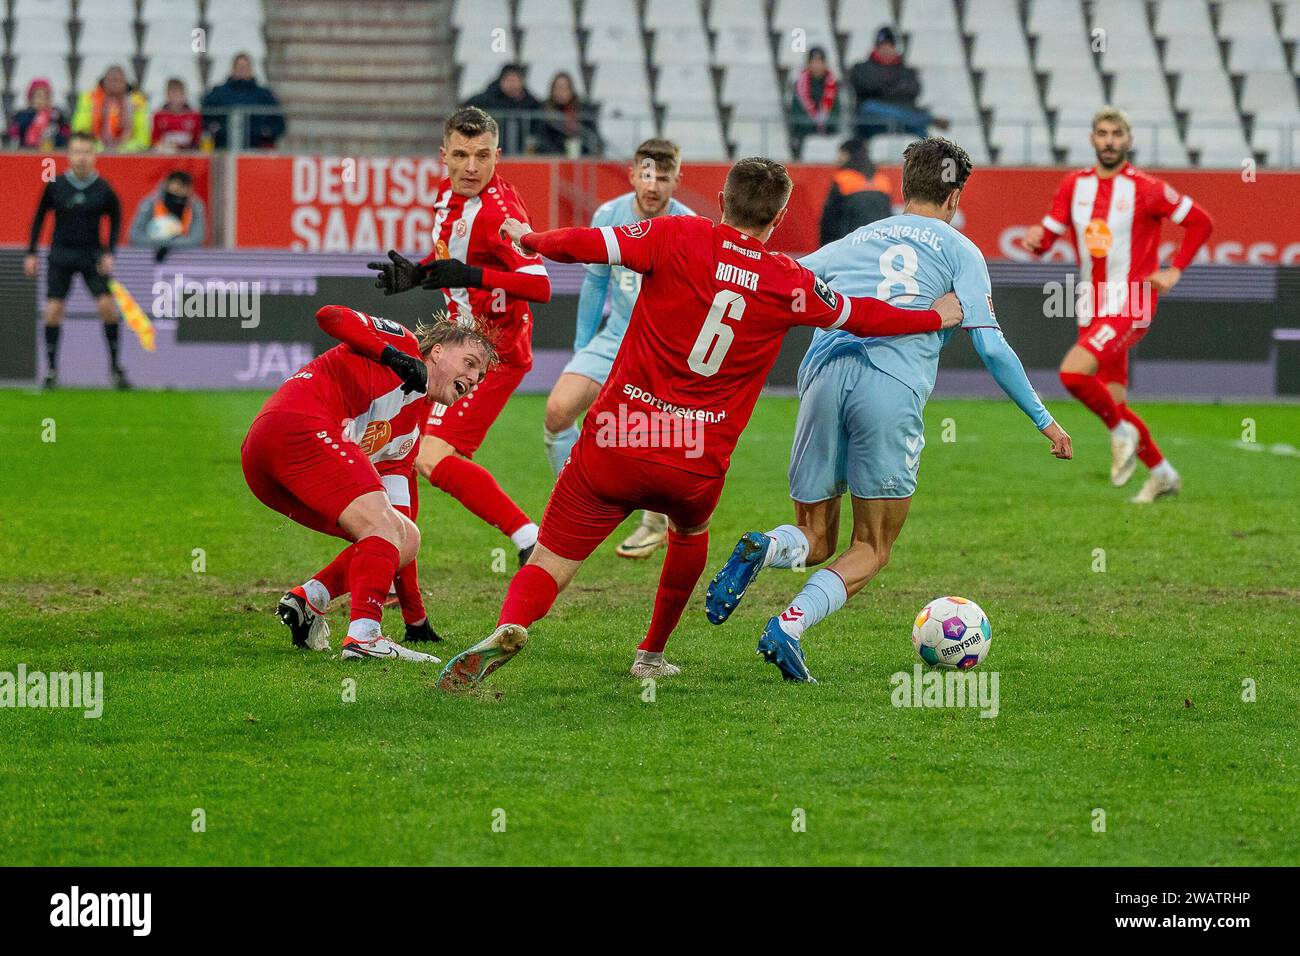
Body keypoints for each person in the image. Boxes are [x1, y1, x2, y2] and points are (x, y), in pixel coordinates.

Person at [435, 157, 964, 691]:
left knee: (551, 559)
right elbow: (863, 314)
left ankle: (512, 623)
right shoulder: (788, 280)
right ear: (778, 217)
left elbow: (590, 245)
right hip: (693, 459)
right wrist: (932, 318)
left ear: (721, 199)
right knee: (688, 534)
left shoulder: (674, 236)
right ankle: (651, 653)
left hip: (617, 438)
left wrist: (532, 239)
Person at [704, 137, 1073, 684]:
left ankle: (769, 546)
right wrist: (1045, 420)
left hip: (823, 378)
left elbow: (776, 282)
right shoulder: (959, 249)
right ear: (955, 195)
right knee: (871, 547)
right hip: (890, 383)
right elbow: (992, 346)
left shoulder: (856, 238)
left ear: (903, 188)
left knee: (815, 535)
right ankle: (788, 625)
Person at [242, 305, 493, 661]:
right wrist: (389, 354)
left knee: (405, 537)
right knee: (386, 529)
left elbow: (398, 533)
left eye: (480, 375)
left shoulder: (409, 432)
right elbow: (329, 316)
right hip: (294, 424)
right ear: (437, 351)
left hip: (268, 469)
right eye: (469, 363)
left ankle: (310, 598)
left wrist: (416, 617)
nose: (473, 379)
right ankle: (364, 636)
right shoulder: (403, 342)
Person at [369, 107, 552, 566]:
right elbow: (450, 262)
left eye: (483, 156)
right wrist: (416, 276)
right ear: (444, 156)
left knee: (431, 456)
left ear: (498, 156)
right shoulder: (447, 198)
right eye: (462, 155)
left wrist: (473, 273)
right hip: (452, 346)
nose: (472, 167)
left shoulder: (502, 212)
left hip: (493, 353)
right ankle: (394, 565)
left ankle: (531, 538)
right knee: (400, 448)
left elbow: (540, 284)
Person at [1021, 107, 1213, 504]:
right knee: (1115, 402)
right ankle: (1163, 474)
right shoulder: (1074, 185)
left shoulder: (1147, 188)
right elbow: (1048, 238)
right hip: (1092, 305)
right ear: (1092, 139)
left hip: (1133, 301)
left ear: (1128, 140)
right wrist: (1036, 238)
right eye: (1103, 133)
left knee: (1073, 375)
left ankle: (1120, 434)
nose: (1109, 140)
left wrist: (1176, 269)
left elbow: (1200, 221)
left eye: (1117, 133)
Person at [543, 138, 693, 562]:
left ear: (676, 181)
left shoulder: (690, 226)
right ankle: (574, 505)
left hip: (661, 348)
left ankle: (656, 521)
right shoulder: (608, 215)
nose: (652, 185)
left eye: (662, 178)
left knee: (647, 435)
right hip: (613, 339)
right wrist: (581, 346)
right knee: (558, 411)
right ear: (632, 175)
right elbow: (595, 283)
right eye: (646, 175)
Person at [24, 131, 126, 389]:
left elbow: (115, 219)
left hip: (91, 255)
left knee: (108, 309)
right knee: (53, 311)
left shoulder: (103, 188)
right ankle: (51, 371)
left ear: (95, 155)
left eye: (87, 151)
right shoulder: (56, 185)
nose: (81, 157)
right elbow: (38, 218)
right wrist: (32, 253)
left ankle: (115, 370)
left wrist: (109, 252)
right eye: (77, 151)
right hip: (61, 255)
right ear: (68, 155)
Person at [849, 27, 944, 140]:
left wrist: (883, 88)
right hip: (872, 122)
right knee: (869, 107)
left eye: (889, 46)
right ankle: (925, 118)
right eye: (882, 46)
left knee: (919, 130)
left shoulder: (907, 70)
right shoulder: (861, 68)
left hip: (902, 119)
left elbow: (914, 90)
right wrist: (895, 87)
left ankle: (933, 155)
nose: (885, 50)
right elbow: (866, 85)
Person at [201, 53, 286, 149]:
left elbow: (279, 124)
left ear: (251, 70)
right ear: (233, 69)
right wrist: (218, 130)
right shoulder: (218, 93)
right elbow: (205, 118)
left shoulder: (264, 95)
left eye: (245, 67)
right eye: (239, 67)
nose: (242, 71)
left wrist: (264, 132)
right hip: (223, 148)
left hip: (257, 150)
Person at [819, 138, 892, 246]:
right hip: (879, 245)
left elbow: (829, 220)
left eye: (841, 154)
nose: (838, 158)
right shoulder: (882, 180)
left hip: (849, 244)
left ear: (848, 155)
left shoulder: (843, 179)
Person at [128, 171, 207, 263]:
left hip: (186, 259)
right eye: (177, 186)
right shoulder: (150, 204)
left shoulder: (195, 207)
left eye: (184, 187)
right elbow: (135, 236)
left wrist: (168, 244)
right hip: (149, 258)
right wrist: (160, 243)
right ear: (166, 185)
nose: (181, 190)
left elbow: (197, 239)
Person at [463, 64, 541, 154]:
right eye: (509, 80)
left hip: (521, 151)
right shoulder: (487, 99)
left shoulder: (531, 102)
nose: (513, 85)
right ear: (501, 81)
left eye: (516, 80)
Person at [70, 65, 150, 152]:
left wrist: (120, 150)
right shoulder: (89, 99)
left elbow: (142, 140)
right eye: (110, 80)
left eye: (118, 80)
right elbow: (80, 131)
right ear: (103, 82)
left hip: (127, 154)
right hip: (95, 152)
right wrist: (100, 148)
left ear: (126, 83)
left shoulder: (138, 102)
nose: (114, 84)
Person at [789, 47, 841, 155]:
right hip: (805, 132)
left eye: (820, 61)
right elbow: (796, 113)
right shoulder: (800, 85)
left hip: (828, 131)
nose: (816, 65)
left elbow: (836, 111)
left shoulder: (832, 85)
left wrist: (825, 123)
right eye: (813, 62)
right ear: (808, 64)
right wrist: (813, 125)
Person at [536, 72, 600, 156]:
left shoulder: (583, 110)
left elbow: (592, 136)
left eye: (564, 88)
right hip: (554, 159)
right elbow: (542, 139)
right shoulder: (544, 110)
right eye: (557, 88)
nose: (560, 92)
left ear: (571, 90)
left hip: (580, 159)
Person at [6, 78, 70, 149]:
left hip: (52, 154)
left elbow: (65, 135)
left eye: (46, 96)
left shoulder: (57, 115)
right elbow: (13, 135)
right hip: (27, 153)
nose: (43, 99)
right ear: (31, 98)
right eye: (39, 96)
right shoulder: (22, 115)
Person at [150, 77, 202, 151]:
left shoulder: (194, 115)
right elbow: (155, 141)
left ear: (184, 95)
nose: (175, 99)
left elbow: (197, 141)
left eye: (178, 95)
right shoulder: (159, 115)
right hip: (166, 155)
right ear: (167, 95)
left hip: (188, 155)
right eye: (173, 95)